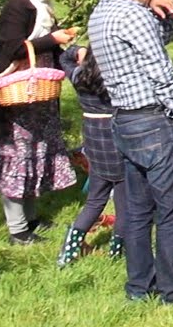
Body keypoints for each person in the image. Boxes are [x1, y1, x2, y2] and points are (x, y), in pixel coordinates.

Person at [87, 0, 173, 304]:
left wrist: (159, 9)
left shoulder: (102, 12)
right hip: (156, 122)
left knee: (136, 210)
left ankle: (139, 286)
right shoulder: (133, 15)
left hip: (124, 120)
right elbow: (160, 67)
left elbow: (148, 45)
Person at [0, 0, 78, 245]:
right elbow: (12, 48)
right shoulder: (19, 5)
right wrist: (52, 40)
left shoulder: (42, 5)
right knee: (17, 159)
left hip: (38, 97)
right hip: (17, 99)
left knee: (35, 155)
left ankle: (30, 219)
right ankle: (17, 228)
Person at [55, 47, 126, 267]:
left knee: (95, 200)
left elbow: (63, 57)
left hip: (93, 143)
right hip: (118, 143)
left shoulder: (78, 76)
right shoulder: (118, 81)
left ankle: (69, 249)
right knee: (125, 204)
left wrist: (79, 50)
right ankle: (117, 251)